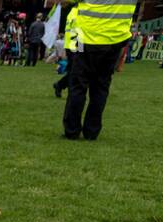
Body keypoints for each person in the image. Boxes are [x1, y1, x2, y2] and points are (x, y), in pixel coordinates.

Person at [64, 0, 134, 140]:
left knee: (78, 84)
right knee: (101, 87)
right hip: (114, 40)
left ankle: (72, 130)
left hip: (85, 38)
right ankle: (91, 131)